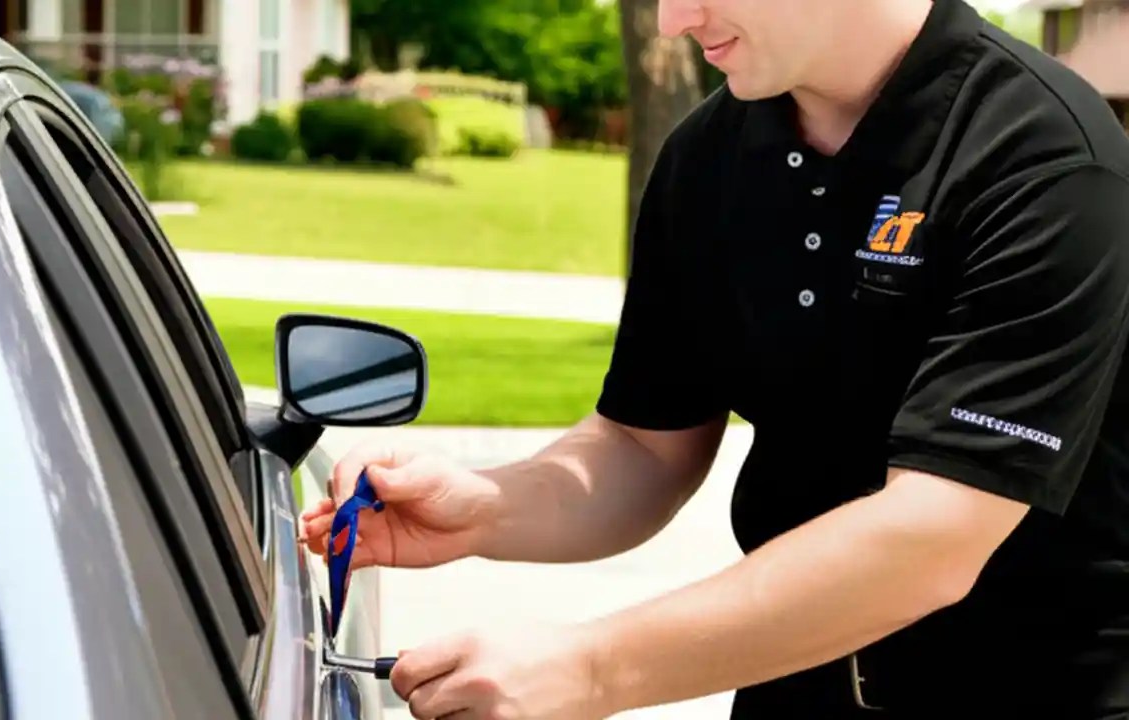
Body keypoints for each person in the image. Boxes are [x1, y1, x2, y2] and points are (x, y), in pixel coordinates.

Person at [300, 0, 1129, 716]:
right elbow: (644, 444)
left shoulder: (1045, 161)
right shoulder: (713, 153)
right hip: (786, 685)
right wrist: (482, 505)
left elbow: (933, 541)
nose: (673, 20)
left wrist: (591, 671)